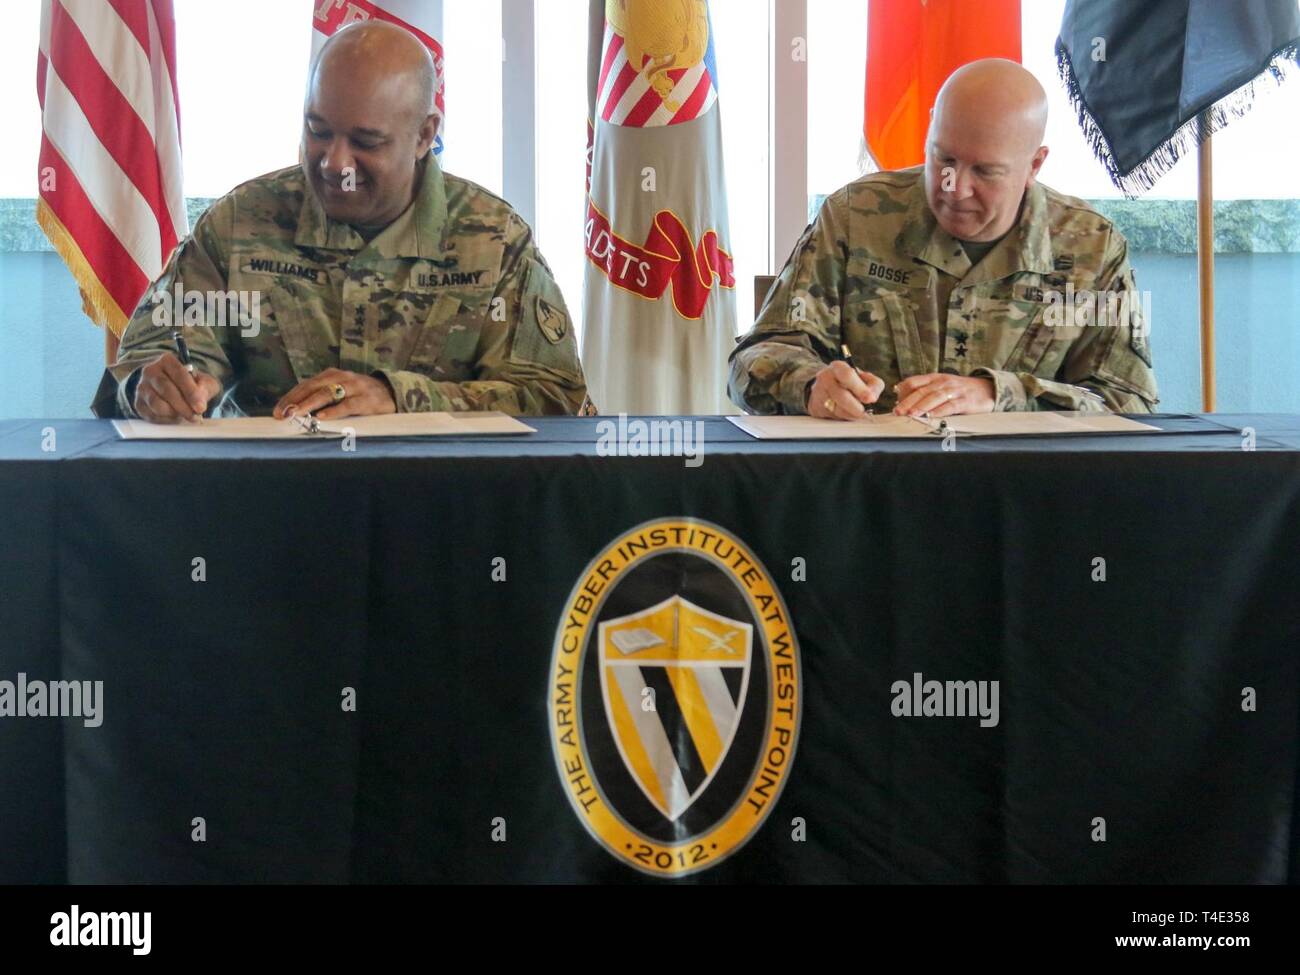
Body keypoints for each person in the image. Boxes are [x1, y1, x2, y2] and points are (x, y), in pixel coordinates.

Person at [92, 20, 587, 422]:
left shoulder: (494, 241)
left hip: (442, 512)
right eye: (318, 131)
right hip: (270, 506)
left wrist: (402, 398)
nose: (334, 163)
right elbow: (144, 362)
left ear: (424, 135)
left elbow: (553, 398)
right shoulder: (241, 225)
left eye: (366, 142)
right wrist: (154, 387)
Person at [729, 58, 1158, 419]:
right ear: (929, 133)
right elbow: (753, 361)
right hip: (875, 485)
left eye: (985, 171)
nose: (955, 187)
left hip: (1029, 495)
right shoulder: (856, 217)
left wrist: (999, 396)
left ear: (1034, 165)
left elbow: (1129, 405)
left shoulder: (1091, 248)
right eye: (943, 158)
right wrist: (810, 385)